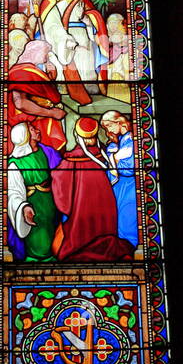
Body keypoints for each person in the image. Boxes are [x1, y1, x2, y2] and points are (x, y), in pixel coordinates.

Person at [50, 116, 134, 262]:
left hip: (80, 207)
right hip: (106, 203)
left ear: (77, 136)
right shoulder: (104, 156)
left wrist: (55, 173)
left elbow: (60, 184)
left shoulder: (71, 160)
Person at [6, 121, 61, 262]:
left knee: (54, 232)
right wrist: (24, 207)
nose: (37, 130)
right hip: (33, 204)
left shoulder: (47, 152)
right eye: (32, 129)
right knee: (39, 238)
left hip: (52, 201)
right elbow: (14, 192)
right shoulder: (15, 162)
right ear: (25, 136)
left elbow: (61, 172)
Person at [100, 110, 139, 250]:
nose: (108, 130)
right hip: (119, 187)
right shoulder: (121, 140)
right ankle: (122, 249)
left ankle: (130, 248)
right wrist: (113, 155)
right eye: (105, 128)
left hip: (130, 186)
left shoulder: (132, 140)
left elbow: (128, 168)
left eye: (109, 126)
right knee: (118, 217)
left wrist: (114, 157)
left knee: (127, 218)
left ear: (118, 122)